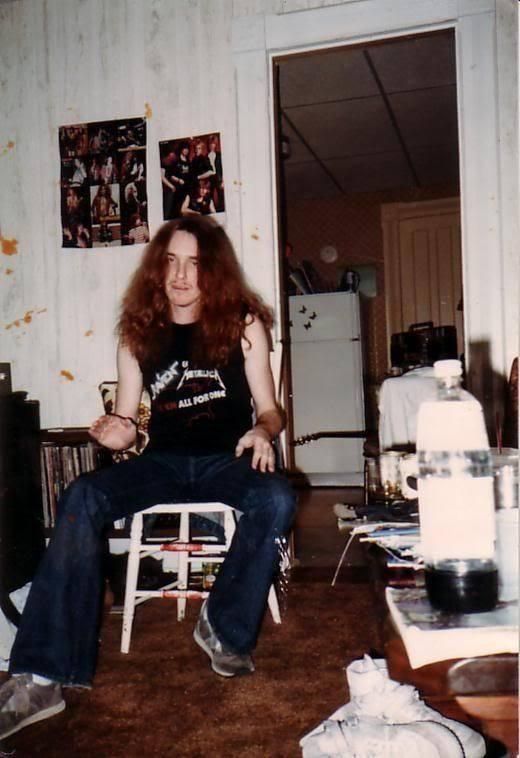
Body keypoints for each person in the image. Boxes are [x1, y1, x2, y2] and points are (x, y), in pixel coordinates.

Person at [0, 215, 296, 740]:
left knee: (276, 497)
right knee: (81, 495)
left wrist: (263, 432)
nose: (181, 275)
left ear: (214, 272)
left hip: (226, 460)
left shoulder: (243, 321)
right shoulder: (138, 331)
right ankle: (42, 676)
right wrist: (120, 436)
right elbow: (130, 424)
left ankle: (224, 629)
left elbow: (271, 410)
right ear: (157, 270)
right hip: (160, 461)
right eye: (171, 262)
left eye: (195, 264)